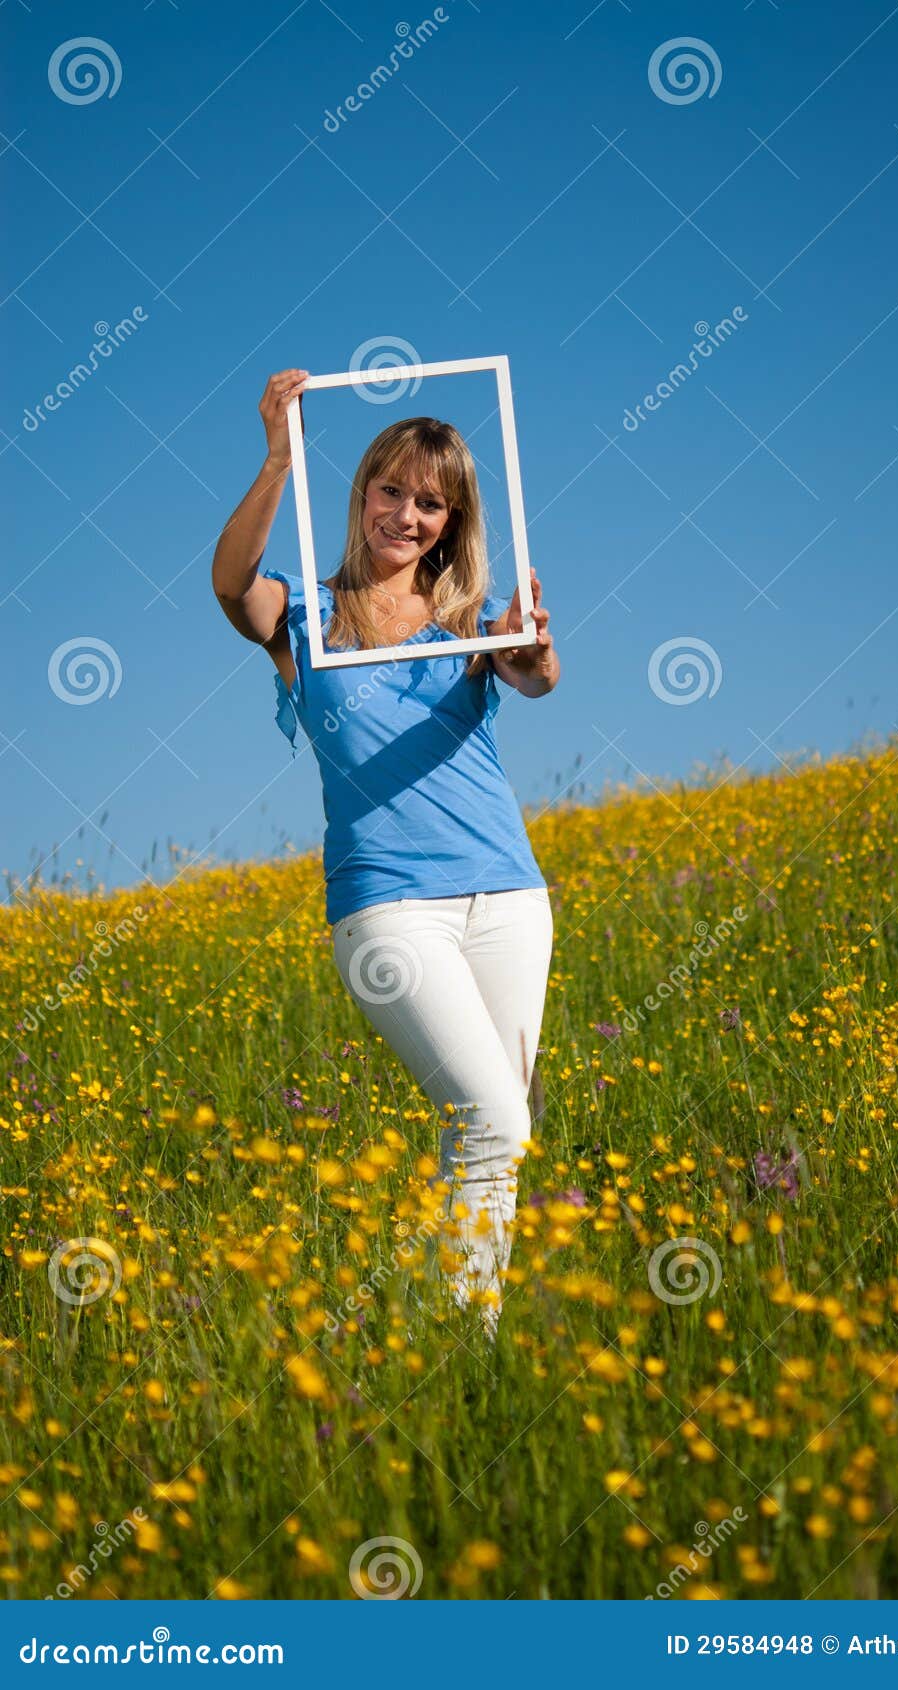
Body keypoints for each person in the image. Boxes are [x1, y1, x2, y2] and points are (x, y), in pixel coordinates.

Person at [211, 369, 560, 1340]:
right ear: (363, 490)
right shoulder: (308, 620)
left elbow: (539, 673)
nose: (407, 513)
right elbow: (231, 583)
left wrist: (527, 650)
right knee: (494, 1120)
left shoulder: (467, 626)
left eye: (430, 502)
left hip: (509, 899)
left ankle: (463, 1347)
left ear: (450, 523)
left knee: (490, 1135)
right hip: (389, 908)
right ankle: (458, 1333)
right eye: (391, 490)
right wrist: (281, 454)